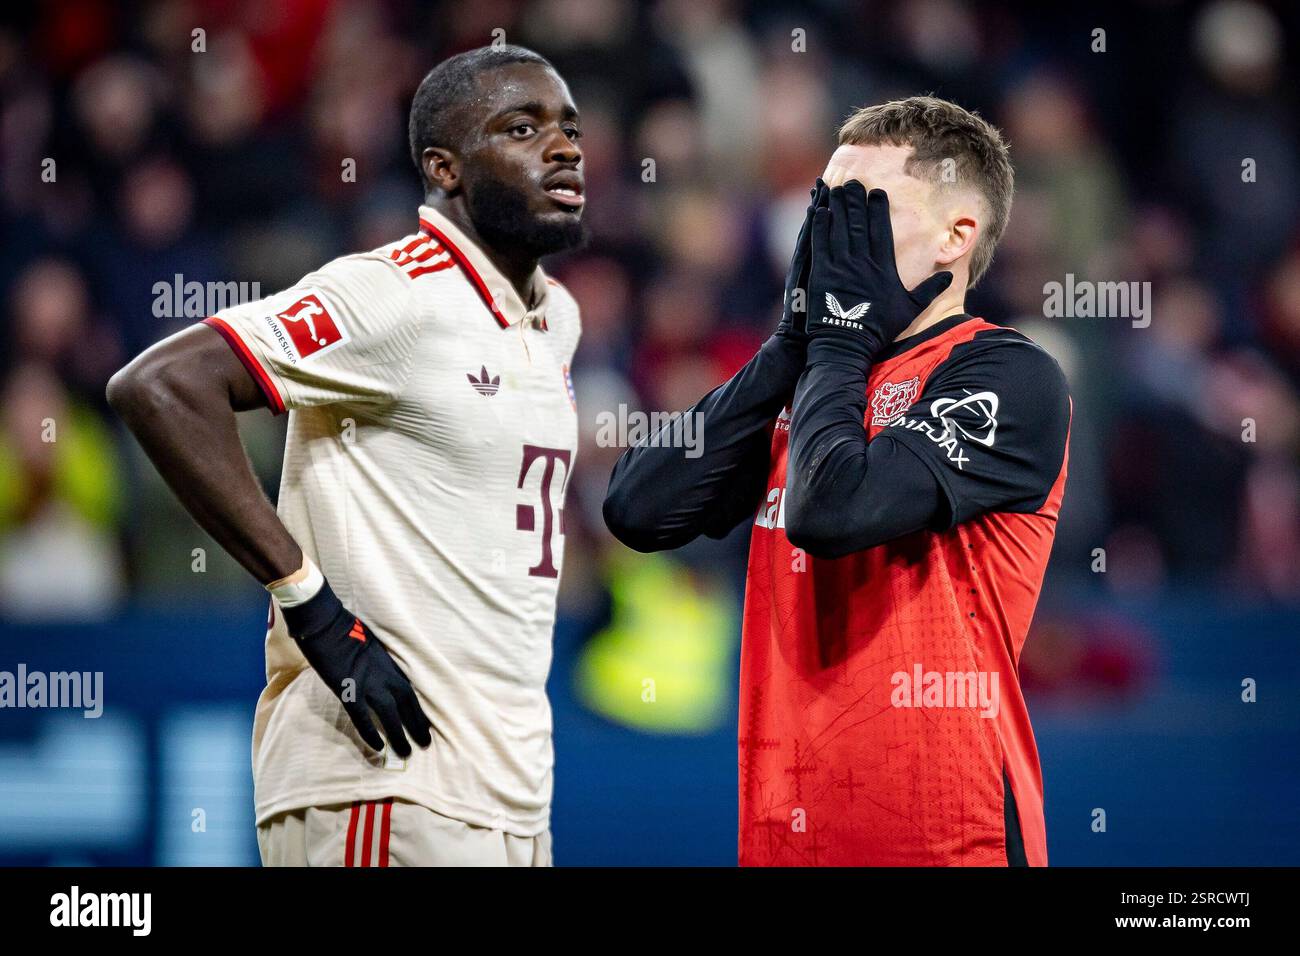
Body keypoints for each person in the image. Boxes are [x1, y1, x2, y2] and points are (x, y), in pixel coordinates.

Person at [108, 45, 586, 866]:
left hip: (509, 798)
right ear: (446, 169)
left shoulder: (557, 318)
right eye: (521, 127)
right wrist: (310, 605)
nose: (565, 146)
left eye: (569, 126)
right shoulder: (391, 292)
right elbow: (160, 385)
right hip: (381, 783)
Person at [604, 96, 1070, 865]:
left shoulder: (1010, 374)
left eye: (862, 211)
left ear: (959, 236)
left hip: (951, 842)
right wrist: (790, 342)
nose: (829, 237)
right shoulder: (813, 371)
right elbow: (637, 509)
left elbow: (833, 510)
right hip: (784, 841)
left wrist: (836, 343)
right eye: (824, 208)